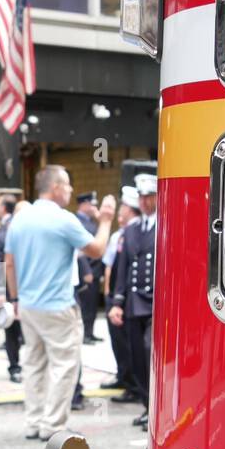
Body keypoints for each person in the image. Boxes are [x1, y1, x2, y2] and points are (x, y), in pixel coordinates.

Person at [4, 165, 115, 441]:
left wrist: (15, 297)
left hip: (27, 304)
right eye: (66, 185)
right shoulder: (63, 219)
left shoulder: (19, 219)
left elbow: (9, 263)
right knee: (64, 365)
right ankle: (52, 425)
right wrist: (106, 220)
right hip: (57, 304)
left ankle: (34, 421)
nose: (70, 190)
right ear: (55, 187)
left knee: (34, 363)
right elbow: (97, 250)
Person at [108, 174, 158, 429]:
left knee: (150, 353)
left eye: (150, 196)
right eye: (142, 197)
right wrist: (118, 301)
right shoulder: (131, 229)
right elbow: (123, 269)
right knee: (136, 357)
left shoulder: (165, 225)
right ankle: (147, 405)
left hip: (154, 303)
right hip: (133, 302)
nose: (146, 202)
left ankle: (156, 409)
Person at [105, 188, 141, 398]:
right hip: (117, 296)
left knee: (130, 343)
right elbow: (112, 266)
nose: (121, 210)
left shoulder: (135, 233)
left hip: (130, 299)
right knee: (118, 341)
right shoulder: (120, 235)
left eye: (124, 207)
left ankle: (134, 385)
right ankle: (124, 377)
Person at [0, 194, 22, 383]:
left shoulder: (4, 232)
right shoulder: (4, 231)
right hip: (20, 287)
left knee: (13, 332)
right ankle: (16, 366)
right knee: (14, 332)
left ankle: (15, 367)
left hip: (12, 287)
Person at [74, 191, 104, 344]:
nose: (94, 207)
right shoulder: (77, 221)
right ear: (83, 204)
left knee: (93, 303)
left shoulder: (92, 221)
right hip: (86, 270)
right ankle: (85, 333)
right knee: (86, 303)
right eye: (91, 204)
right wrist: (86, 270)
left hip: (95, 269)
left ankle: (90, 332)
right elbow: (80, 249)